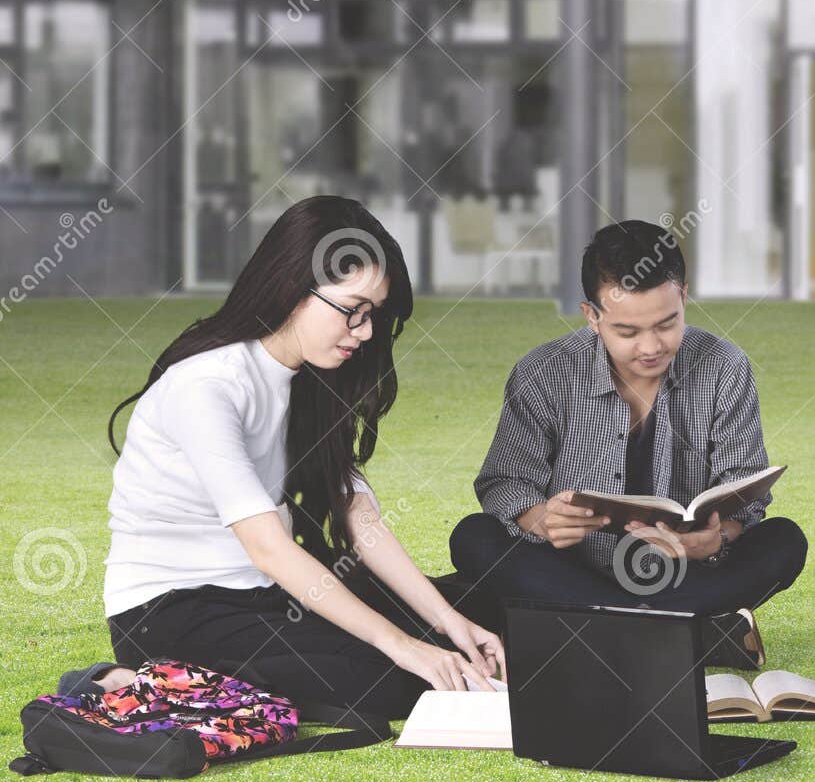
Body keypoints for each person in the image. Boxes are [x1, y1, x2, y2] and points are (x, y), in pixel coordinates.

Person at [82, 196, 504, 718]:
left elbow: (357, 516)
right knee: (397, 681)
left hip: (271, 597)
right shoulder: (206, 385)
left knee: (481, 622)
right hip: (173, 610)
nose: (366, 332)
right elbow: (269, 549)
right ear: (292, 289)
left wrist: (445, 620)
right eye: (353, 311)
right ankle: (129, 679)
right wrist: (405, 645)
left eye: (371, 315)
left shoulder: (310, 379)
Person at [449, 220, 807, 668]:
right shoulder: (544, 371)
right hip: (569, 569)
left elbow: (744, 494)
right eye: (628, 332)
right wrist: (541, 518)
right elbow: (505, 482)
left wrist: (714, 541)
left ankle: (598, 629)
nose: (652, 347)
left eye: (667, 323)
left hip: (682, 574)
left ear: (684, 296)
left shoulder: (724, 367)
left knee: (785, 542)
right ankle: (680, 632)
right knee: (473, 539)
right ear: (591, 317)